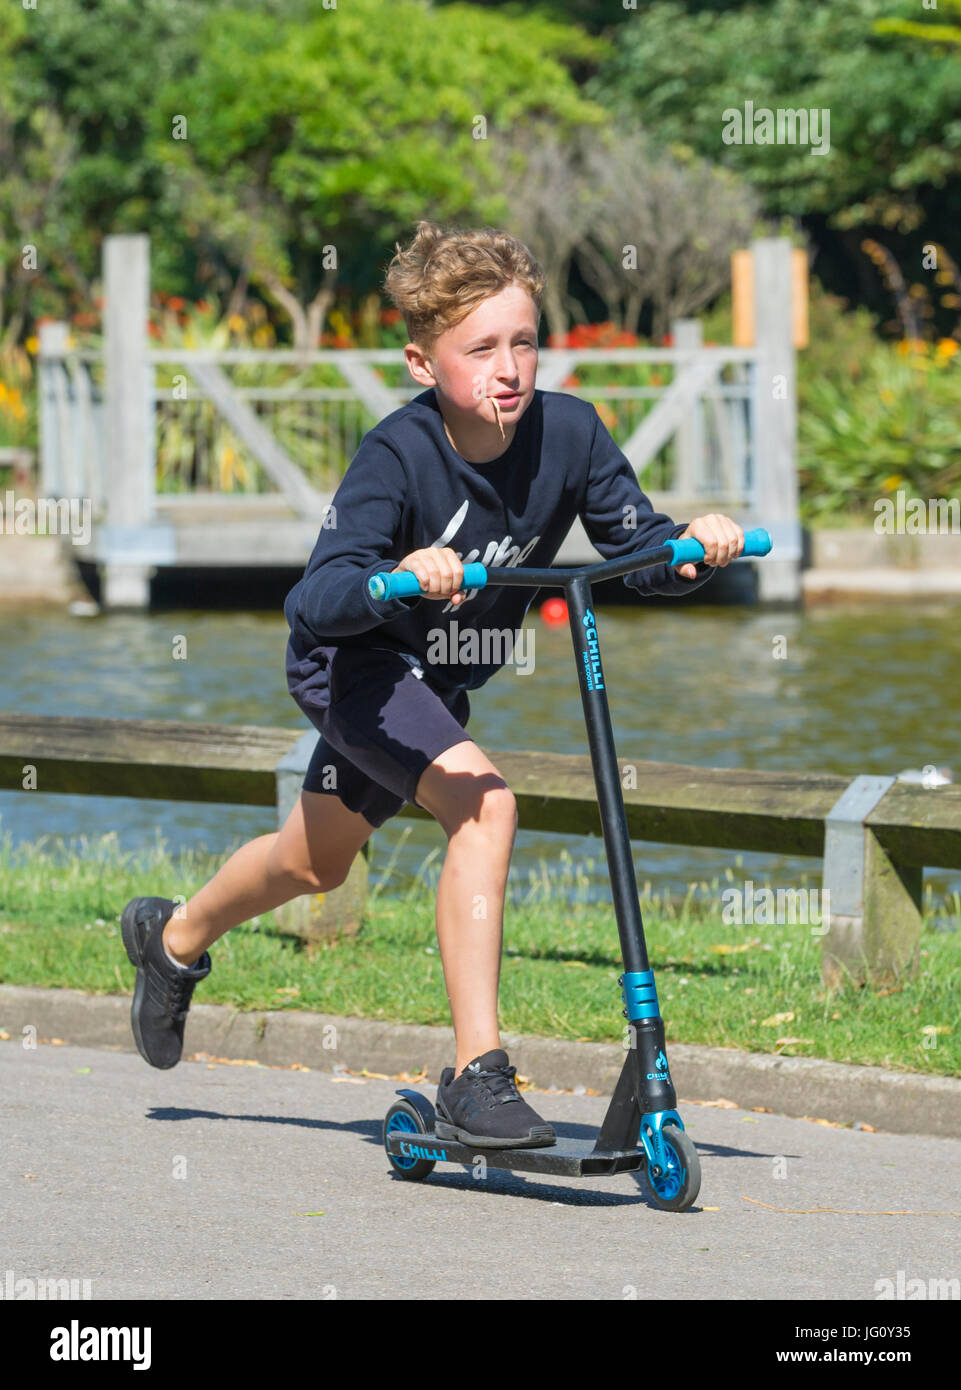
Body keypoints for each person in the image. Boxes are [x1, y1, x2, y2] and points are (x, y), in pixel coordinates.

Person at [121, 220, 744, 1148]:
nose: (509, 368)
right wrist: (403, 571)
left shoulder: (568, 433)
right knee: (485, 806)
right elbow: (319, 595)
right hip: (354, 668)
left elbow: (633, 550)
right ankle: (476, 1074)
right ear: (422, 362)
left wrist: (694, 549)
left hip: (436, 681)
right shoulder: (397, 455)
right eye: (481, 348)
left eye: (524, 342)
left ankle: (170, 939)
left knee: (313, 861)